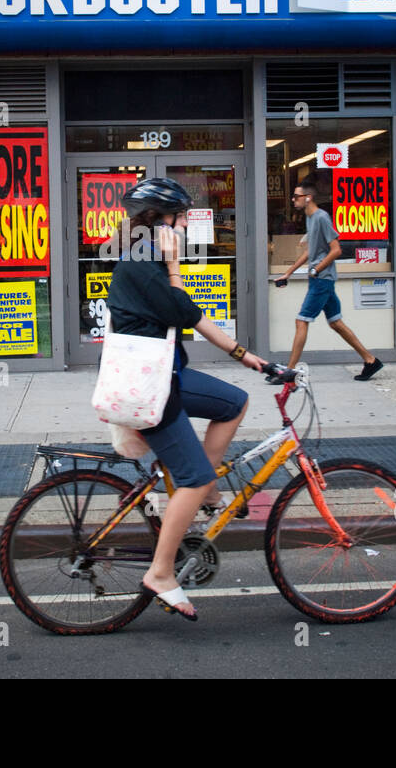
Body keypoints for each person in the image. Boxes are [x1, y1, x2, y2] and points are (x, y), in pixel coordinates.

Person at [105, 177, 267, 621]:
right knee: (190, 477)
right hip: (151, 389)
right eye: (180, 220)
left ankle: (205, 488)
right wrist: (176, 264)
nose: (184, 228)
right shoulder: (140, 267)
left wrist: (249, 360)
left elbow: (187, 315)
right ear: (160, 222)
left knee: (233, 403)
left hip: (167, 377)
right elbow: (186, 313)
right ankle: (161, 572)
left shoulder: (146, 261)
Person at [272, 179, 383, 383]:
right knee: (336, 323)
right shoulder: (309, 218)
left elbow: (336, 250)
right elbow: (310, 251)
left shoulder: (321, 217)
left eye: (296, 196)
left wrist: (316, 269)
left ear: (308, 197)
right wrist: (288, 273)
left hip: (321, 280)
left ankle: (289, 371)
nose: (293, 200)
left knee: (301, 320)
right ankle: (370, 360)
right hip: (321, 279)